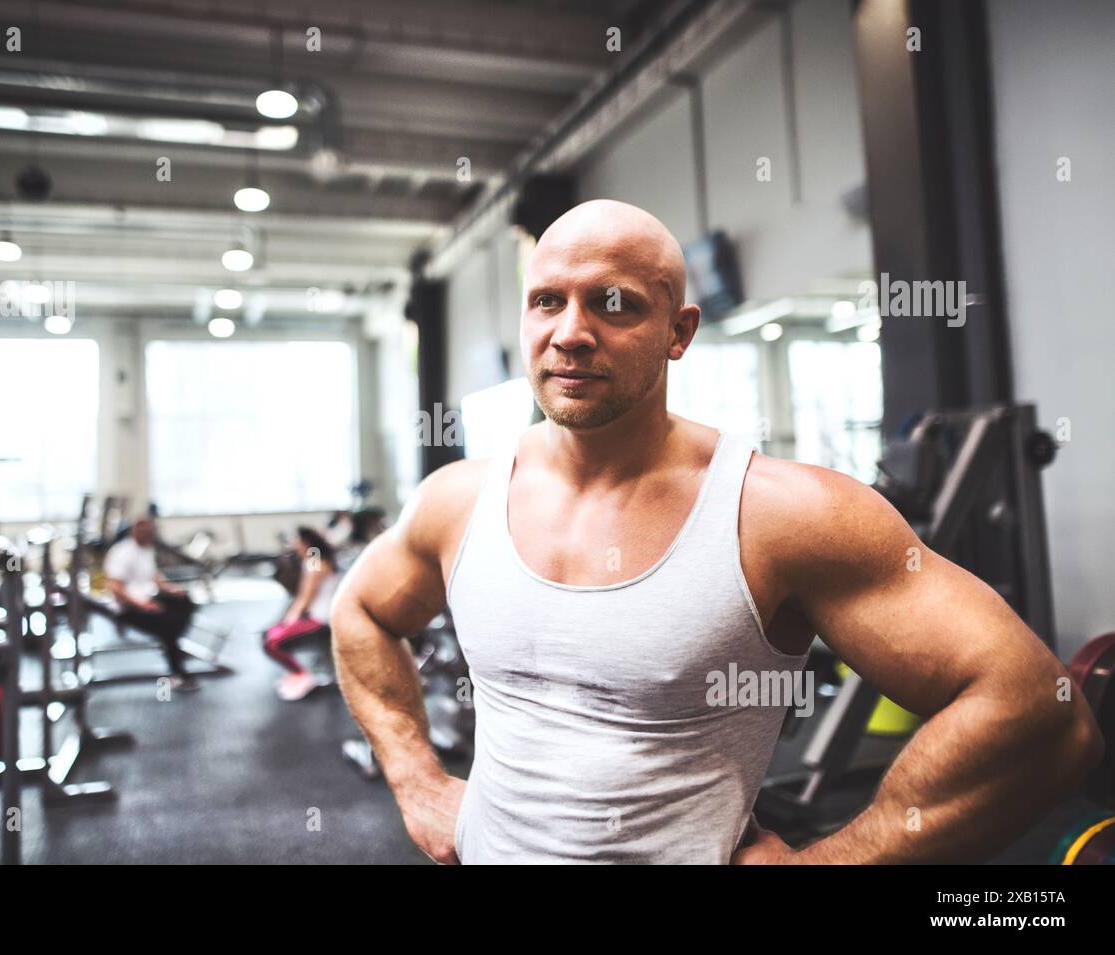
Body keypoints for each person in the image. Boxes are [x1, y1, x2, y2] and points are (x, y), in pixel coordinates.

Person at [331, 198, 1103, 865]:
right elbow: (359, 612)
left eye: (614, 302)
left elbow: (1040, 708)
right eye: (547, 302)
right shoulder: (457, 500)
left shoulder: (780, 513)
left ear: (679, 329)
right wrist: (415, 777)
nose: (570, 332)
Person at [103, 516, 199, 692]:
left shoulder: (146, 549)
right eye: (145, 532)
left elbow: (154, 576)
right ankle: (178, 674)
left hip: (150, 597)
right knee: (168, 625)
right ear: (134, 531)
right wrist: (141, 605)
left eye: (151, 532)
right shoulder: (122, 552)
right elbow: (115, 587)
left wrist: (170, 589)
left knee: (186, 602)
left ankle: (172, 645)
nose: (149, 535)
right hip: (128, 606)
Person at [263, 527, 341, 701]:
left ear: (305, 543)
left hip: (321, 620)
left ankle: (301, 675)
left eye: (296, 540)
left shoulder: (314, 564)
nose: (293, 543)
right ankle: (298, 674)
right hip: (318, 616)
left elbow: (305, 596)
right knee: (269, 634)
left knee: (272, 642)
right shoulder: (315, 560)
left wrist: (289, 620)